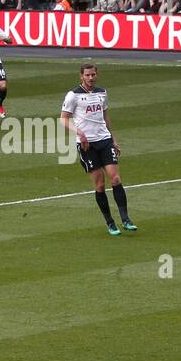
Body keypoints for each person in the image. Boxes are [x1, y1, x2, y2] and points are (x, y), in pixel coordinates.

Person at [60, 63, 136, 236]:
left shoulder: (102, 92)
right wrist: (79, 132)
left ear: (97, 74)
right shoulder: (73, 95)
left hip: (104, 141)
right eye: (87, 75)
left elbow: (105, 117)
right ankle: (110, 222)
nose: (91, 78)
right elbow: (63, 119)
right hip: (87, 145)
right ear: (81, 76)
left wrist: (113, 139)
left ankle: (125, 219)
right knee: (100, 184)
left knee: (115, 178)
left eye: (93, 74)